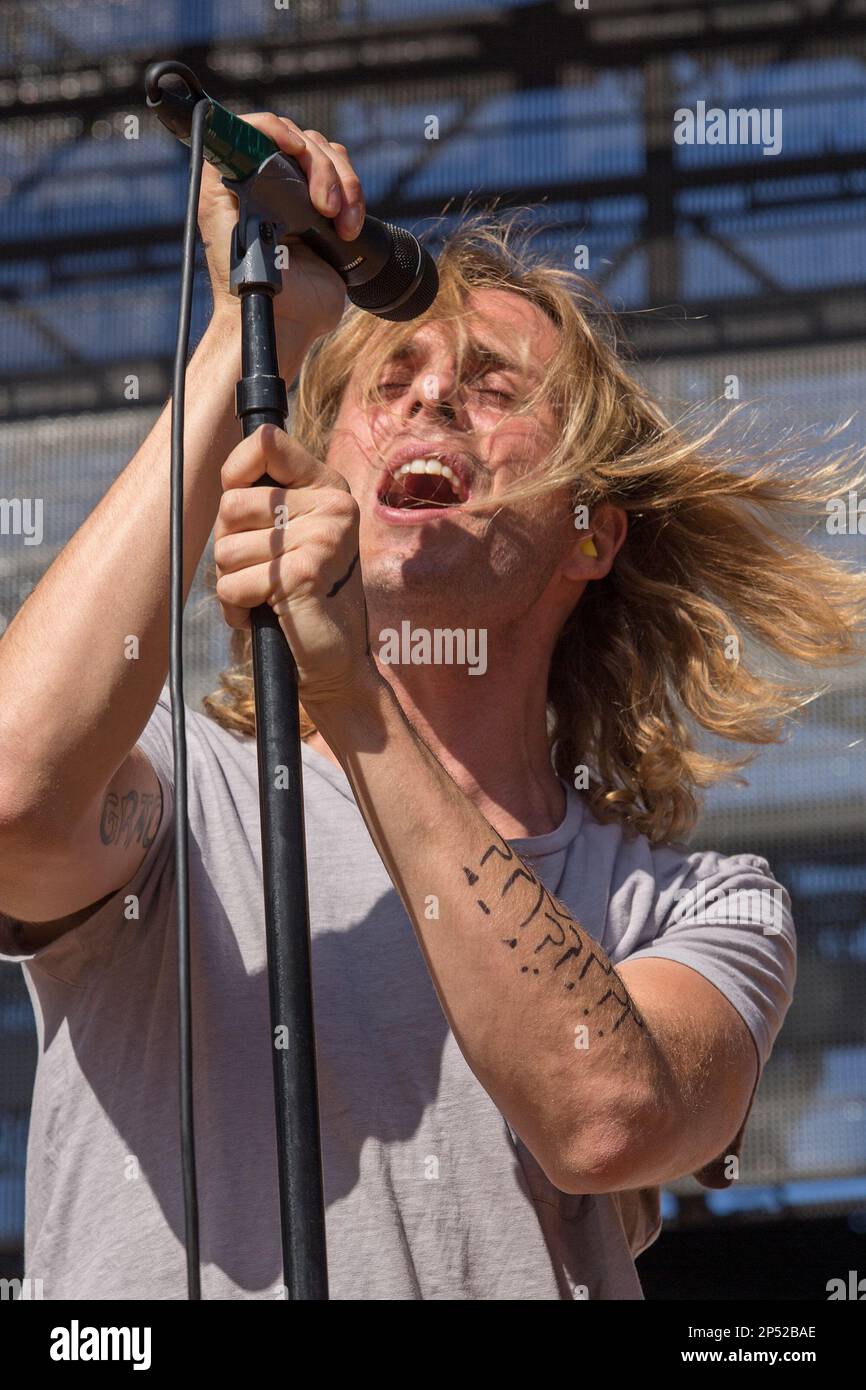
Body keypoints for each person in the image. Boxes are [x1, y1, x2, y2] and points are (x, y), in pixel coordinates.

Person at [0, 115, 862, 1301]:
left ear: (590, 533)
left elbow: (606, 1116)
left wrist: (355, 692)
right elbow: (11, 800)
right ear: (324, 465)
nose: (431, 400)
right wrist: (240, 343)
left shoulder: (693, 906)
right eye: (385, 384)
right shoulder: (180, 794)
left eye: (493, 385)